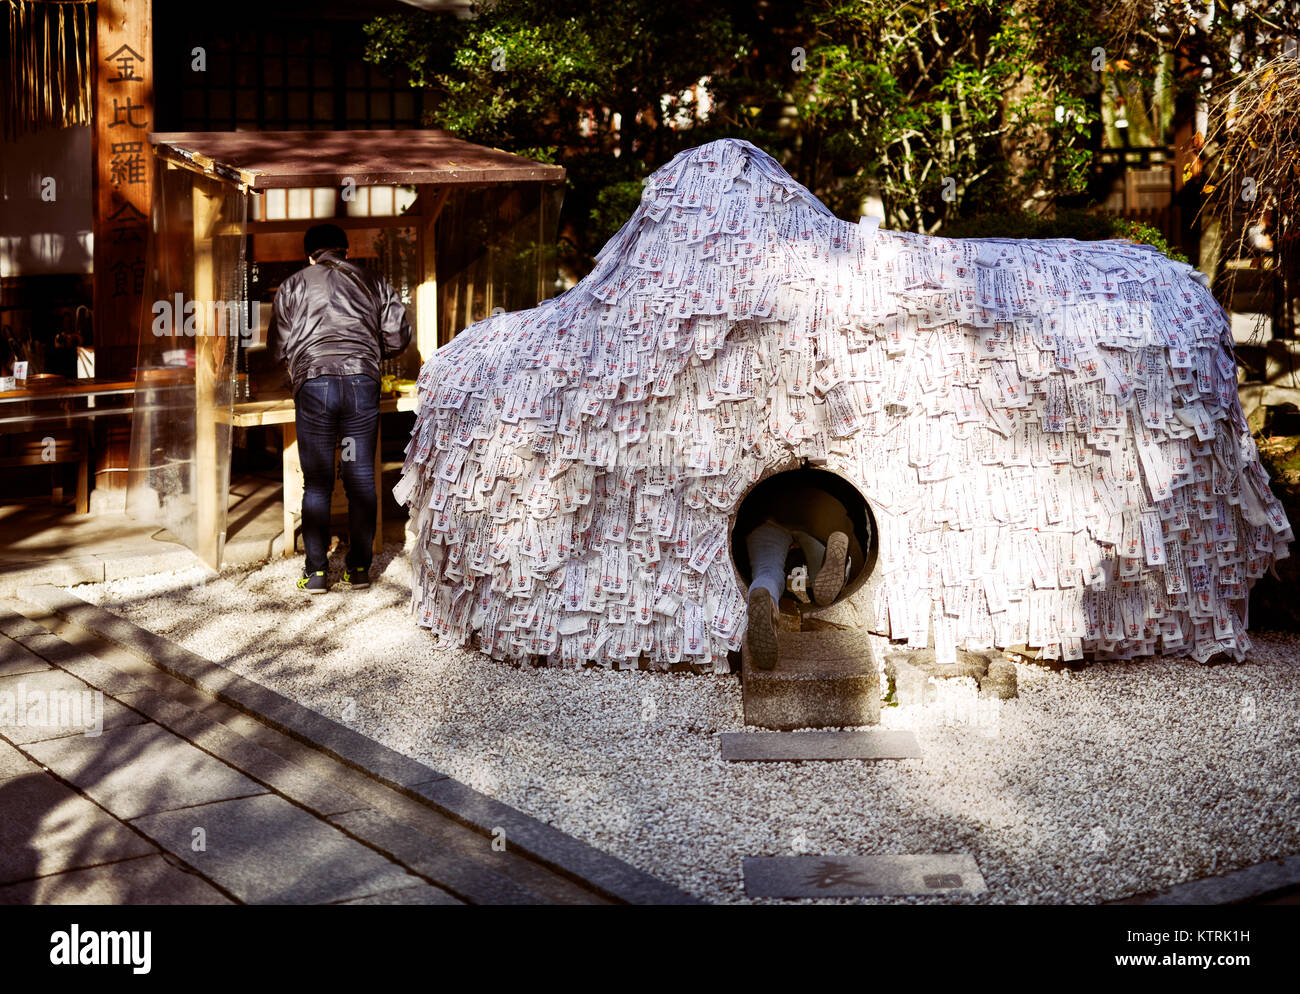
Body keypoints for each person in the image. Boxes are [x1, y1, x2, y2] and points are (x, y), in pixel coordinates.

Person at [273, 223, 411, 593]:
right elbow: (397, 336)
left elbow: (278, 347)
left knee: (317, 480)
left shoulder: (293, 285)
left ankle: (316, 572)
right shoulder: (373, 281)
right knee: (360, 475)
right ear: (346, 251)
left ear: (309, 255)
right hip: (361, 383)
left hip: (315, 385)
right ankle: (359, 569)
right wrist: (369, 349)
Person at [743, 484, 863, 670]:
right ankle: (832, 565)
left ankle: (765, 593)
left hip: (765, 515)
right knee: (821, 569)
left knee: (767, 571)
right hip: (816, 514)